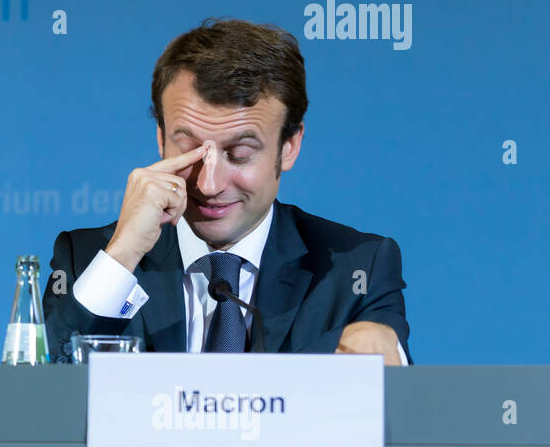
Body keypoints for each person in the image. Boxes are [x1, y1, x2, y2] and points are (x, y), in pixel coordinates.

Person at [43, 18, 411, 364]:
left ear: (289, 146)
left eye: (239, 155)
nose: (209, 184)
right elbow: (38, 403)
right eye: (189, 149)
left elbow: (393, 398)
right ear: (160, 138)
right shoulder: (88, 260)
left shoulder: (357, 270)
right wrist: (123, 255)